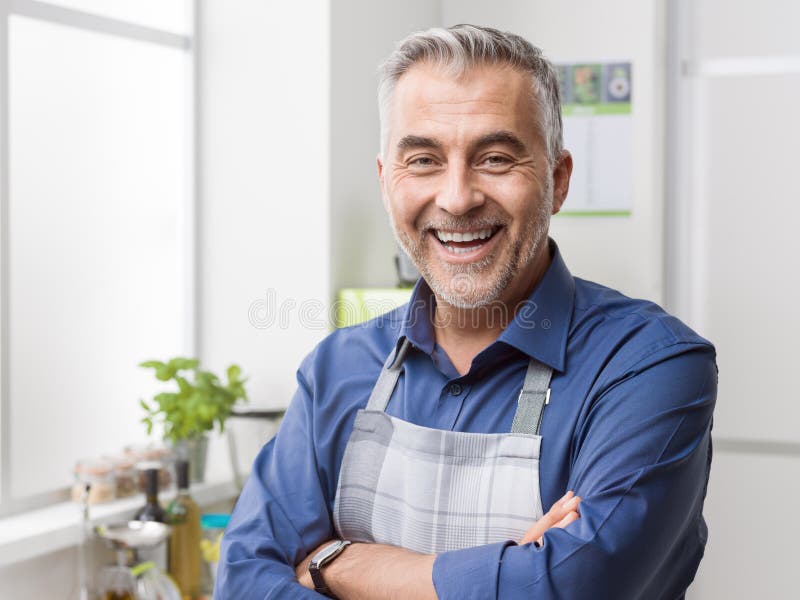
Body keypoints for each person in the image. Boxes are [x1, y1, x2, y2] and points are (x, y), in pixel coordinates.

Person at [215, 24, 717, 600]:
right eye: (424, 159)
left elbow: (575, 587)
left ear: (556, 181)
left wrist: (338, 565)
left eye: (496, 158)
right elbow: (242, 583)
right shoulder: (335, 369)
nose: (457, 197)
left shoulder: (649, 367)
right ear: (386, 183)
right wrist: (509, 576)